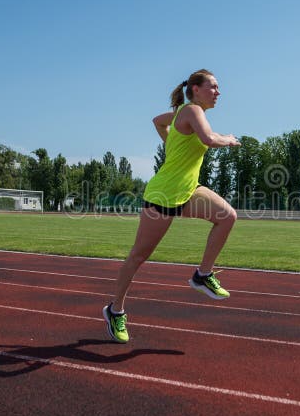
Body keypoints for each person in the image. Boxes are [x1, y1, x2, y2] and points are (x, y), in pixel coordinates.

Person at [103, 69, 241, 343]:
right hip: (163, 196)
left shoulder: (182, 113)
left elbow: (157, 121)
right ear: (195, 89)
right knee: (138, 256)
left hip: (187, 191)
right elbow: (209, 140)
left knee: (227, 216)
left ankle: (202, 275)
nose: (218, 92)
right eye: (213, 87)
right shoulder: (191, 111)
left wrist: (173, 145)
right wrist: (228, 138)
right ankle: (115, 310)